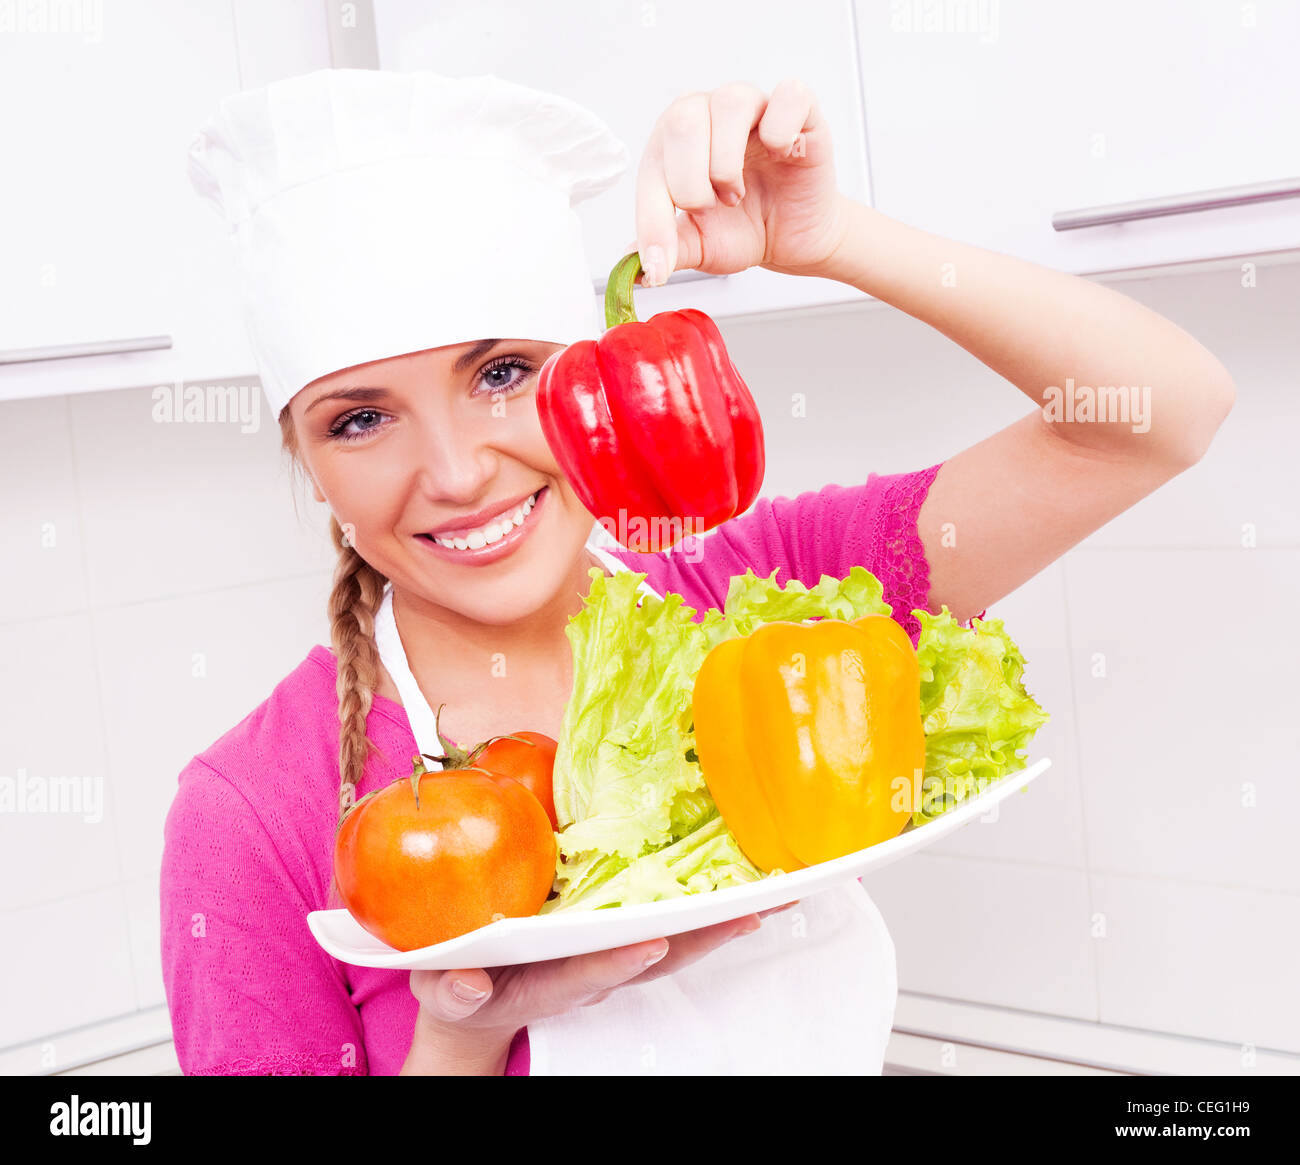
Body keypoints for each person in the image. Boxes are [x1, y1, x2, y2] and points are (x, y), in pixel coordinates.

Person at [160, 69, 1235, 1076]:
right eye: (357, 419)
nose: (453, 472)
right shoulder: (252, 810)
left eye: (501, 373)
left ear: (591, 379)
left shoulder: (766, 606)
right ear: (308, 466)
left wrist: (832, 239)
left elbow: (1158, 415)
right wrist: (462, 1036)